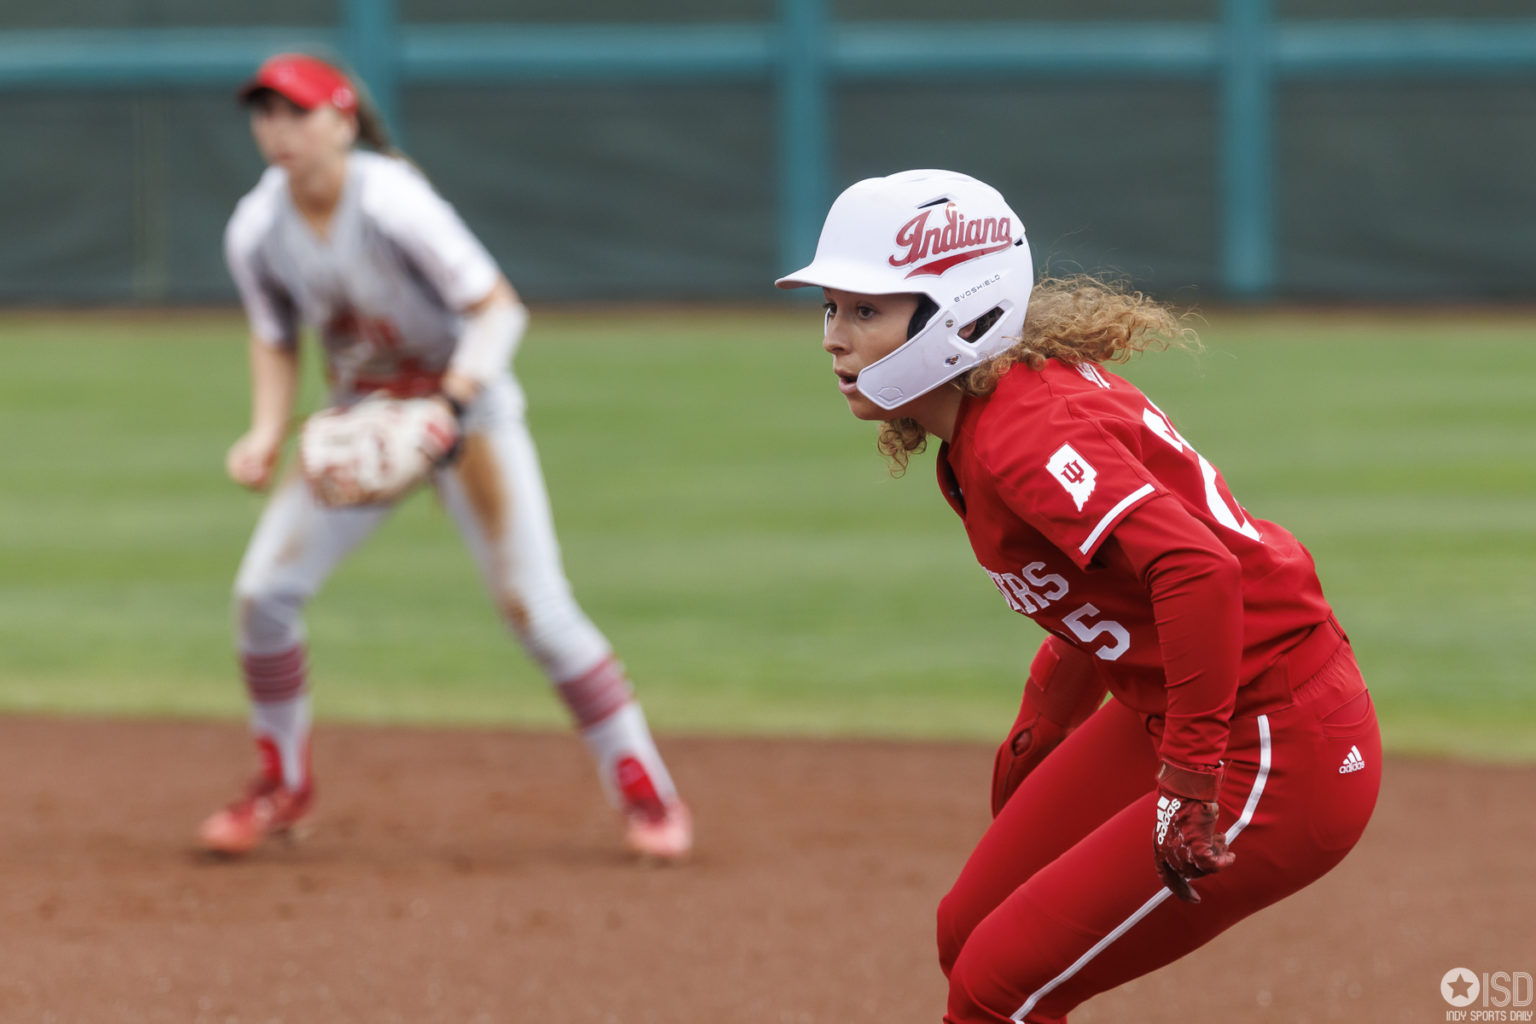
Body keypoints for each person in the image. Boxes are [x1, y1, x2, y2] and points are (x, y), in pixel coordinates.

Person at [775, 169, 1380, 1022]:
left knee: (997, 990)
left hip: (1277, 738)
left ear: (960, 308)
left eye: (866, 311)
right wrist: (1043, 728)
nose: (834, 338)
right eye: (830, 309)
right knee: (967, 931)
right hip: (1177, 706)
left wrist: (1191, 777)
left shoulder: (1021, 432)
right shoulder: (988, 416)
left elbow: (1198, 572)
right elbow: (1101, 598)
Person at [203, 52, 691, 862]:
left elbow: (498, 311)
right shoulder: (256, 227)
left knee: (536, 608)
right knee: (262, 595)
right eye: (265, 114)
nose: (278, 130)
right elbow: (274, 336)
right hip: (362, 419)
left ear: (343, 119)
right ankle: (280, 787)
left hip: (471, 410)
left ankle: (647, 794)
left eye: (296, 112)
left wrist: (450, 407)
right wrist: (264, 430)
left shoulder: (391, 200)